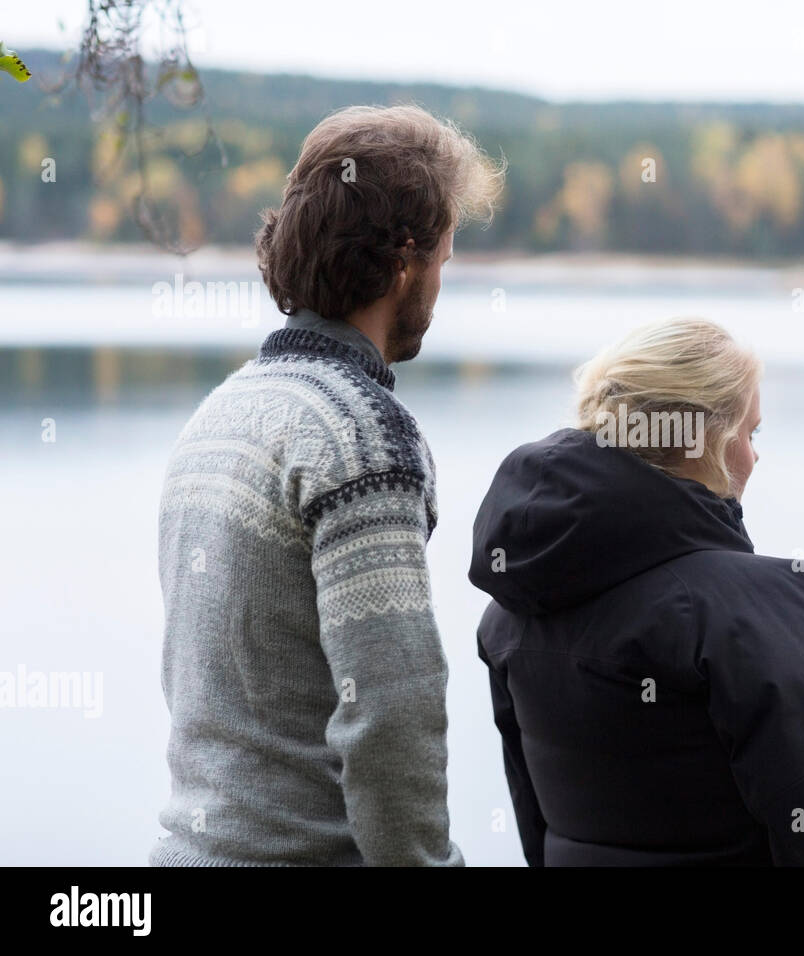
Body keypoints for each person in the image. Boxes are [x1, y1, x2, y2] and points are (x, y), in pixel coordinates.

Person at [150, 105, 503, 866]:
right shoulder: (362, 436)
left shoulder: (219, 414)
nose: (442, 283)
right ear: (405, 260)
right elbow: (391, 713)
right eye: (444, 257)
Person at [469, 317, 804, 865]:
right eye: (751, 433)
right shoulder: (759, 614)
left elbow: (536, 832)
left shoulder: (512, 615)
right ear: (707, 441)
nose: (756, 456)